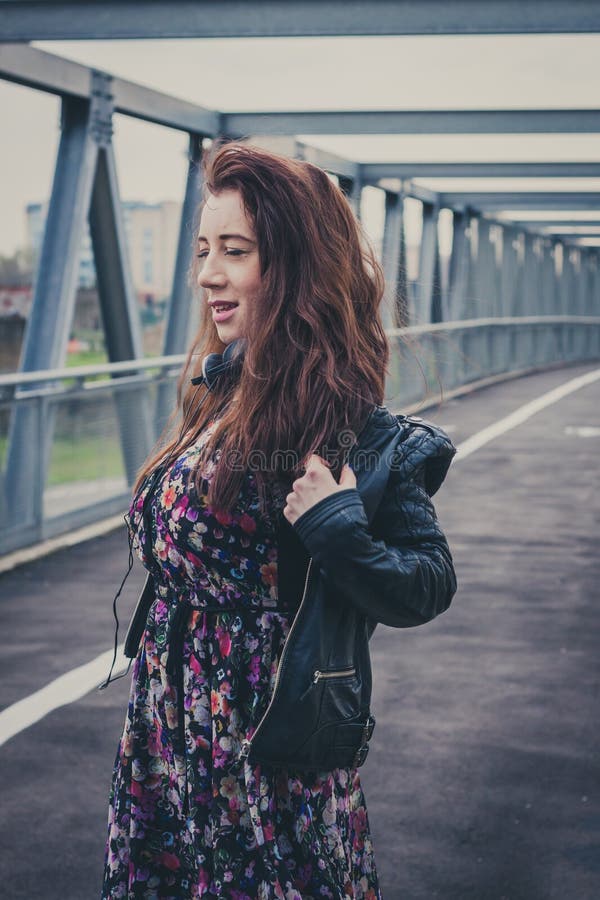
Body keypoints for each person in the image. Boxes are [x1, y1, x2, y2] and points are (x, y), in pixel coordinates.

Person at [101, 140, 457, 899]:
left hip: (265, 749)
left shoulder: (347, 424)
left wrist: (336, 527)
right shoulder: (218, 389)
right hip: (170, 731)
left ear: (293, 265)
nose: (207, 274)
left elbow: (427, 583)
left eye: (236, 250)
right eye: (203, 249)